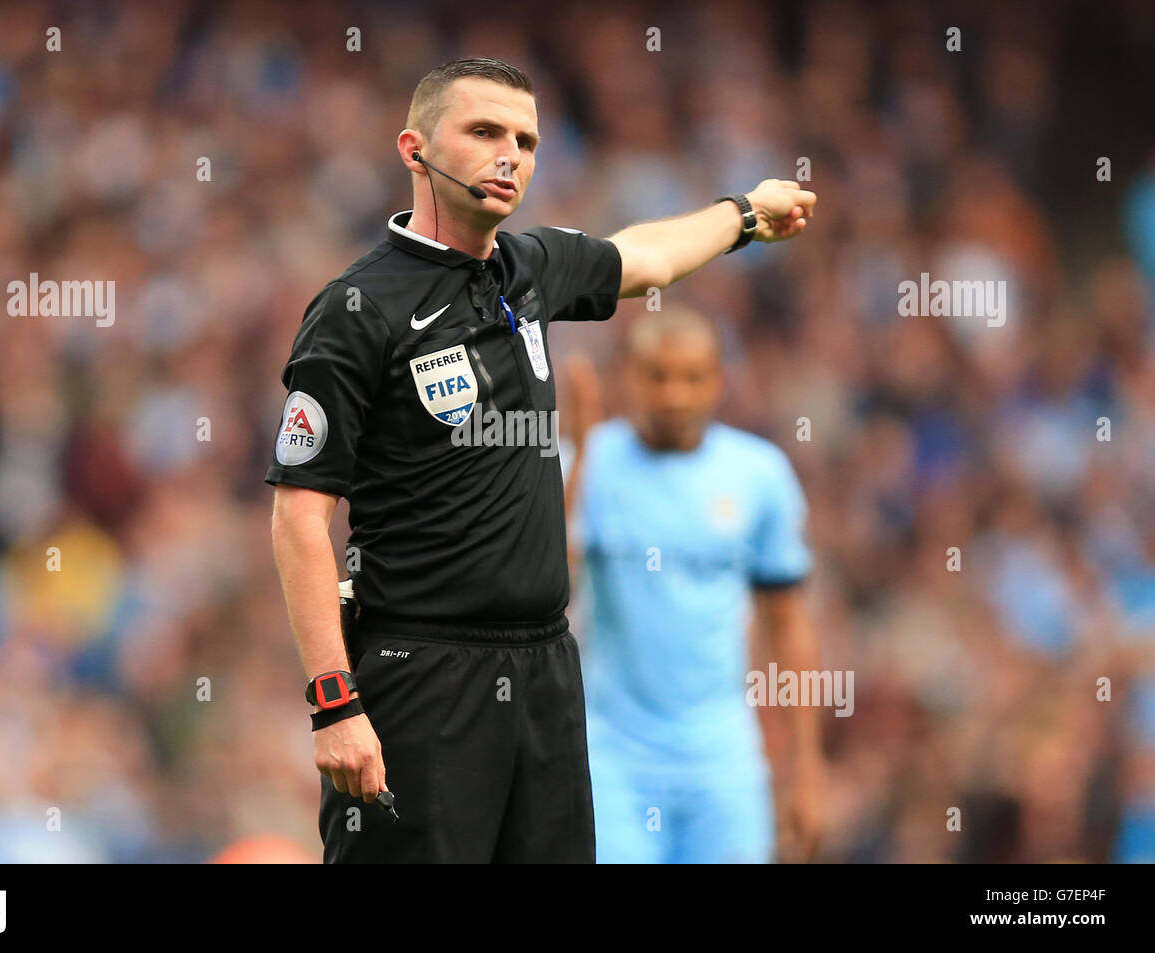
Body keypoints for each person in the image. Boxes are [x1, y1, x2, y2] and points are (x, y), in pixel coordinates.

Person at [266, 56, 817, 863]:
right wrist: (333, 704)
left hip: (546, 672)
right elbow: (299, 516)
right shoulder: (356, 309)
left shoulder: (528, 270)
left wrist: (745, 215)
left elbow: (647, 257)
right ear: (414, 148)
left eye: (525, 139)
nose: (510, 155)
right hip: (422, 671)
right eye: (485, 131)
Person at [566, 305, 827, 863]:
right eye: (657, 376)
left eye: (692, 377)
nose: (674, 395)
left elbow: (788, 626)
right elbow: (549, 588)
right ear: (629, 377)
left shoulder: (759, 475)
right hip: (612, 759)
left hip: (722, 760)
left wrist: (805, 768)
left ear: (719, 380)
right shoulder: (588, 463)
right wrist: (580, 457)